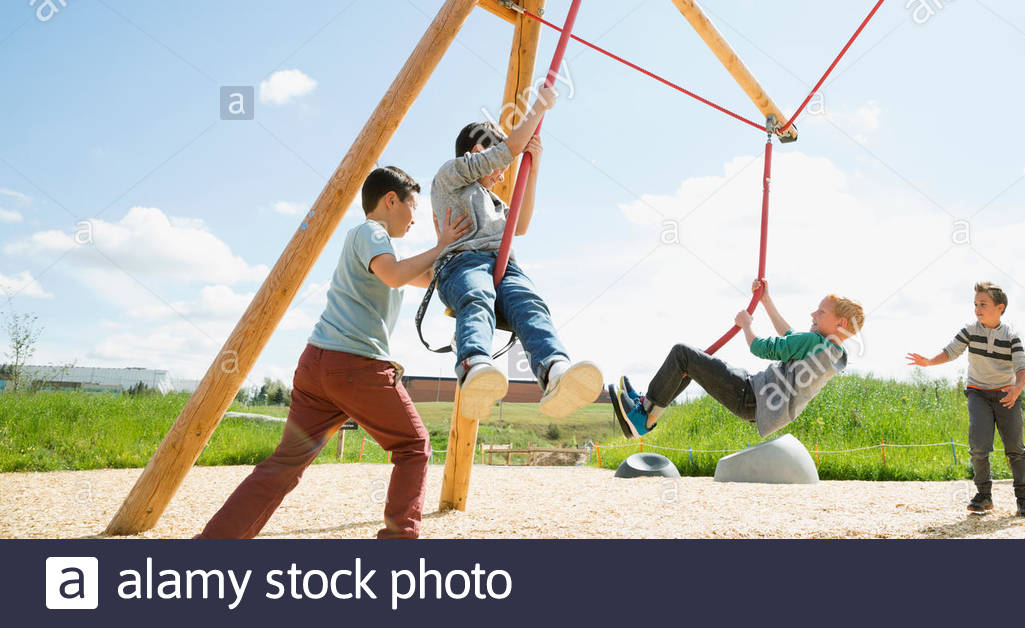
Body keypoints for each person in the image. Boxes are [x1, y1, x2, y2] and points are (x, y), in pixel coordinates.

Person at [197, 165, 470, 539]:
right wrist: (440, 246)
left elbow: (419, 276)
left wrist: (456, 262)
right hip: (354, 366)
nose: (414, 218)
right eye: (413, 207)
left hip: (318, 365)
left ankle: (213, 545)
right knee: (413, 446)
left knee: (285, 465)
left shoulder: (372, 243)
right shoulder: (371, 232)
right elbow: (395, 275)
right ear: (390, 200)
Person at [430, 83, 601, 419]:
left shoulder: (494, 202)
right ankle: (474, 363)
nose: (503, 172)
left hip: (504, 265)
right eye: (497, 162)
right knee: (477, 297)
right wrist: (538, 108)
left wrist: (533, 169)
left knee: (529, 303)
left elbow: (520, 225)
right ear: (477, 150)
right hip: (461, 265)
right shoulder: (451, 175)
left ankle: (554, 370)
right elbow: (506, 150)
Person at [610, 280, 863, 439]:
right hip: (755, 399)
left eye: (821, 311)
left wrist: (746, 325)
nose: (813, 313)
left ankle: (644, 416)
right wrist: (765, 301)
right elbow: (789, 336)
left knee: (682, 354)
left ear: (839, 322)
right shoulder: (831, 354)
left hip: (751, 393)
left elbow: (763, 348)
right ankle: (647, 407)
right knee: (690, 366)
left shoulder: (813, 343)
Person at [906, 281, 1025, 518]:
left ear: (1000, 307)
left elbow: (1022, 367)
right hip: (978, 392)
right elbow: (951, 351)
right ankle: (984, 496)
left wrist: (1017, 389)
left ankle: (1024, 501)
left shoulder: (1012, 336)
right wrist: (928, 361)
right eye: (975, 304)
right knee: (978, 447)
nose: (977, 308)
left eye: (983, 304)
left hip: (1007, 395)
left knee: (1015, 448)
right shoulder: (970, 331)